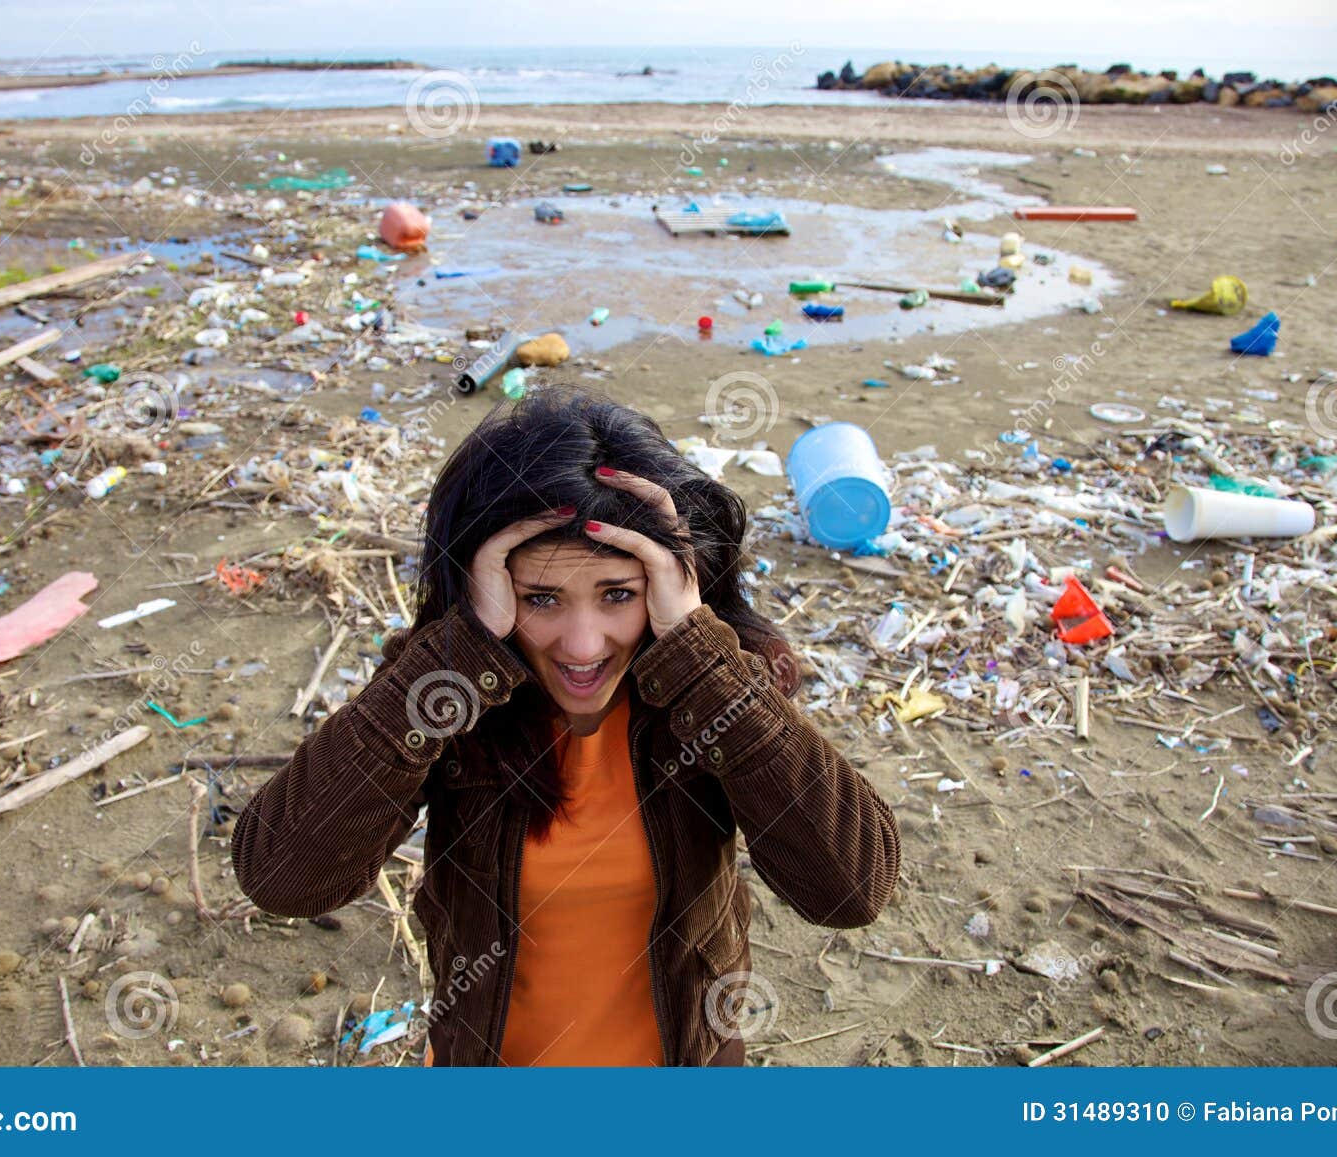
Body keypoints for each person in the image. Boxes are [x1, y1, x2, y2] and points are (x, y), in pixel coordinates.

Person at [232, 386, 900, 1066]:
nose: (583, 646)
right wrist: (458, 656)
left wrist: (701, 658)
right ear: (488, 590)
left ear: (673, 585)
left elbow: (851, 889)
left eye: (618, 594)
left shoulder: (712, 697)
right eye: (541, 597)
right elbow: (282, 876)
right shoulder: (452, 697)